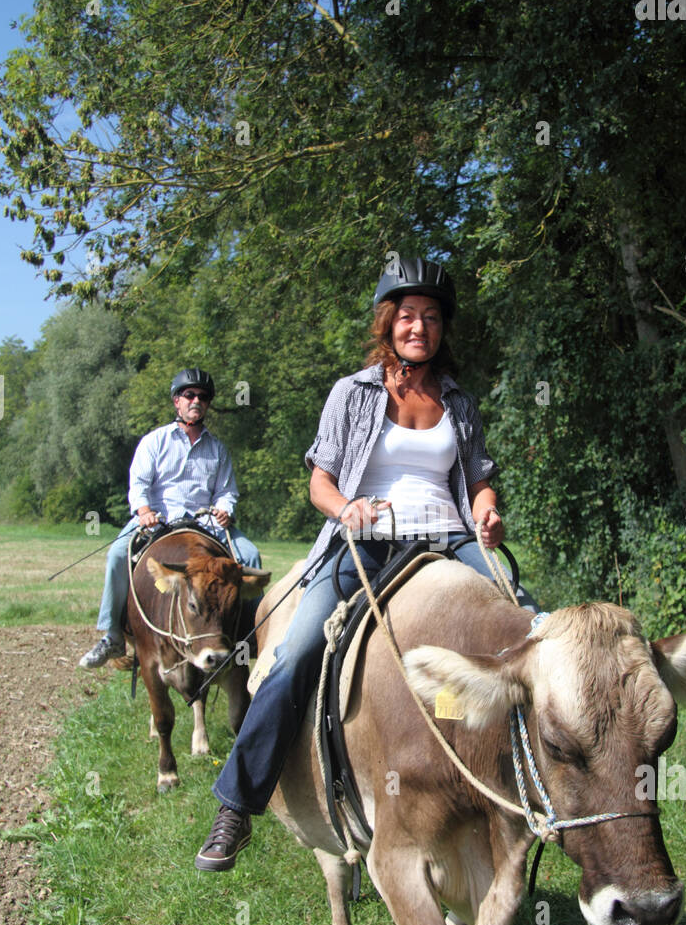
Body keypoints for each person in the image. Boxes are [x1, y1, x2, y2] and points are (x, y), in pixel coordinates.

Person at [195, 256, 539, 871]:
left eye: (432, 318)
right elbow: (320, 482)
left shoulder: (459, 400)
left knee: (534, 631)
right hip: (366, 538)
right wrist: (347, 509)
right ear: (388, 323)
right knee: (299, 652)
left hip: (451, 538)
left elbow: (479, 480)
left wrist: (487, 513)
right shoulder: (350, 393)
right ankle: (236, 803)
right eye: (408, 316)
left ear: (442, 329)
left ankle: (550, 786)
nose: (420, 327)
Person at [78, 368, 262, 669]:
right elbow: (138, 485)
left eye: (203, 397)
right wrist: (143, 511)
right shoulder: (154, 441)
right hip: (158, 519)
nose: (196, 401)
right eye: (189, 395)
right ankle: (112, 635)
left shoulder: (217, 449)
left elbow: (227, 491)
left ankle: (250, 634)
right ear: (177, 401)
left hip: (206, 523)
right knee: (115, 555)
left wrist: (225, 508)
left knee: (250, 555)